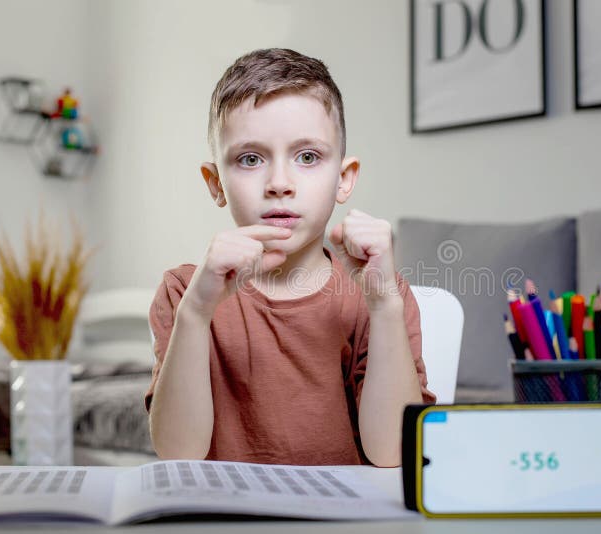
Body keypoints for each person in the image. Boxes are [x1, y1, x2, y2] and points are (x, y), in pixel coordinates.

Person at [145, 48, 436, 467]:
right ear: (215, 184)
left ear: (344, 178)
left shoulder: (380, 295)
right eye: (250, 159)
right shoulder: (184, 293)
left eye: (307, 157)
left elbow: (394, 453)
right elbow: (178, 451)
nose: (279, 183)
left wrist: (385, 306)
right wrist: (196, 313)